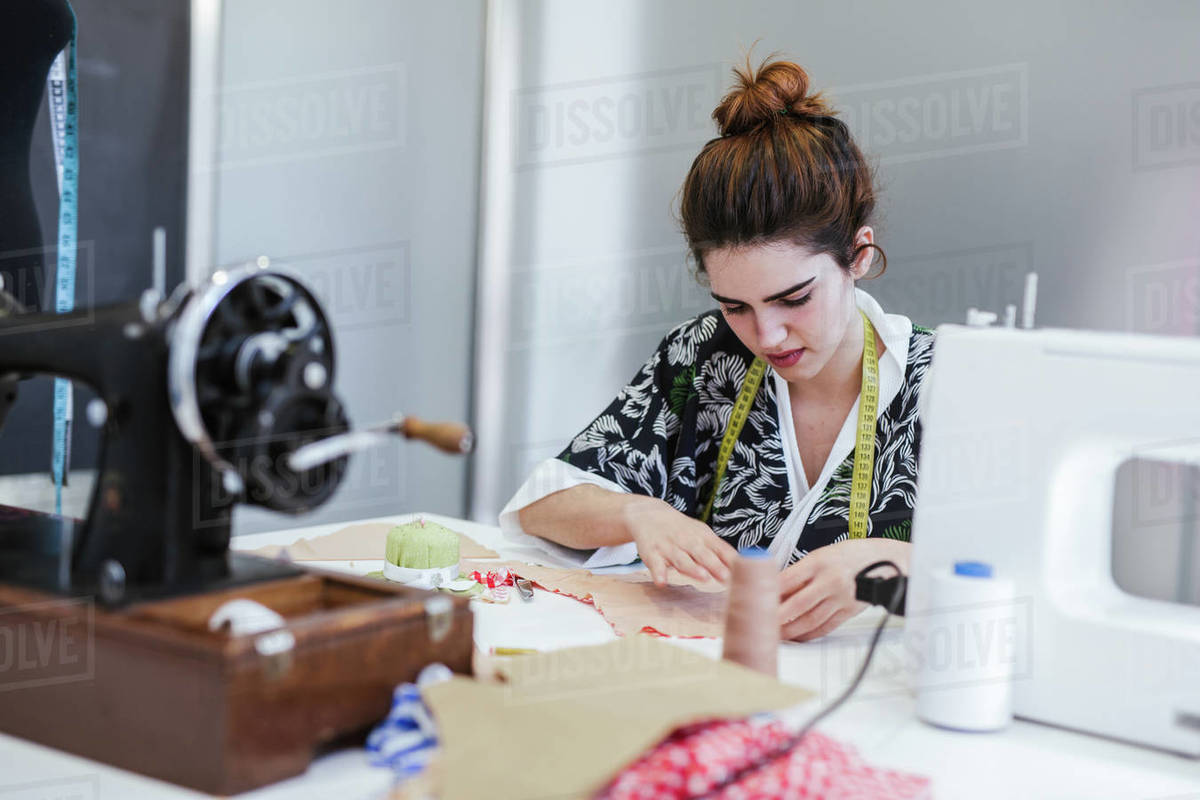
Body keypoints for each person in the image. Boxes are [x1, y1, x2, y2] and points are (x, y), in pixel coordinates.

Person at [499, 57, 935, 642]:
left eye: (794, 298)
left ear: (858, 256)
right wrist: (637, 513)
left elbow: (1022, 564)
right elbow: (541, 505)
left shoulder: (943, 384)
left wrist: (890, 562)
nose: (766, 336)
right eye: (736, 305)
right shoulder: (705, 357)